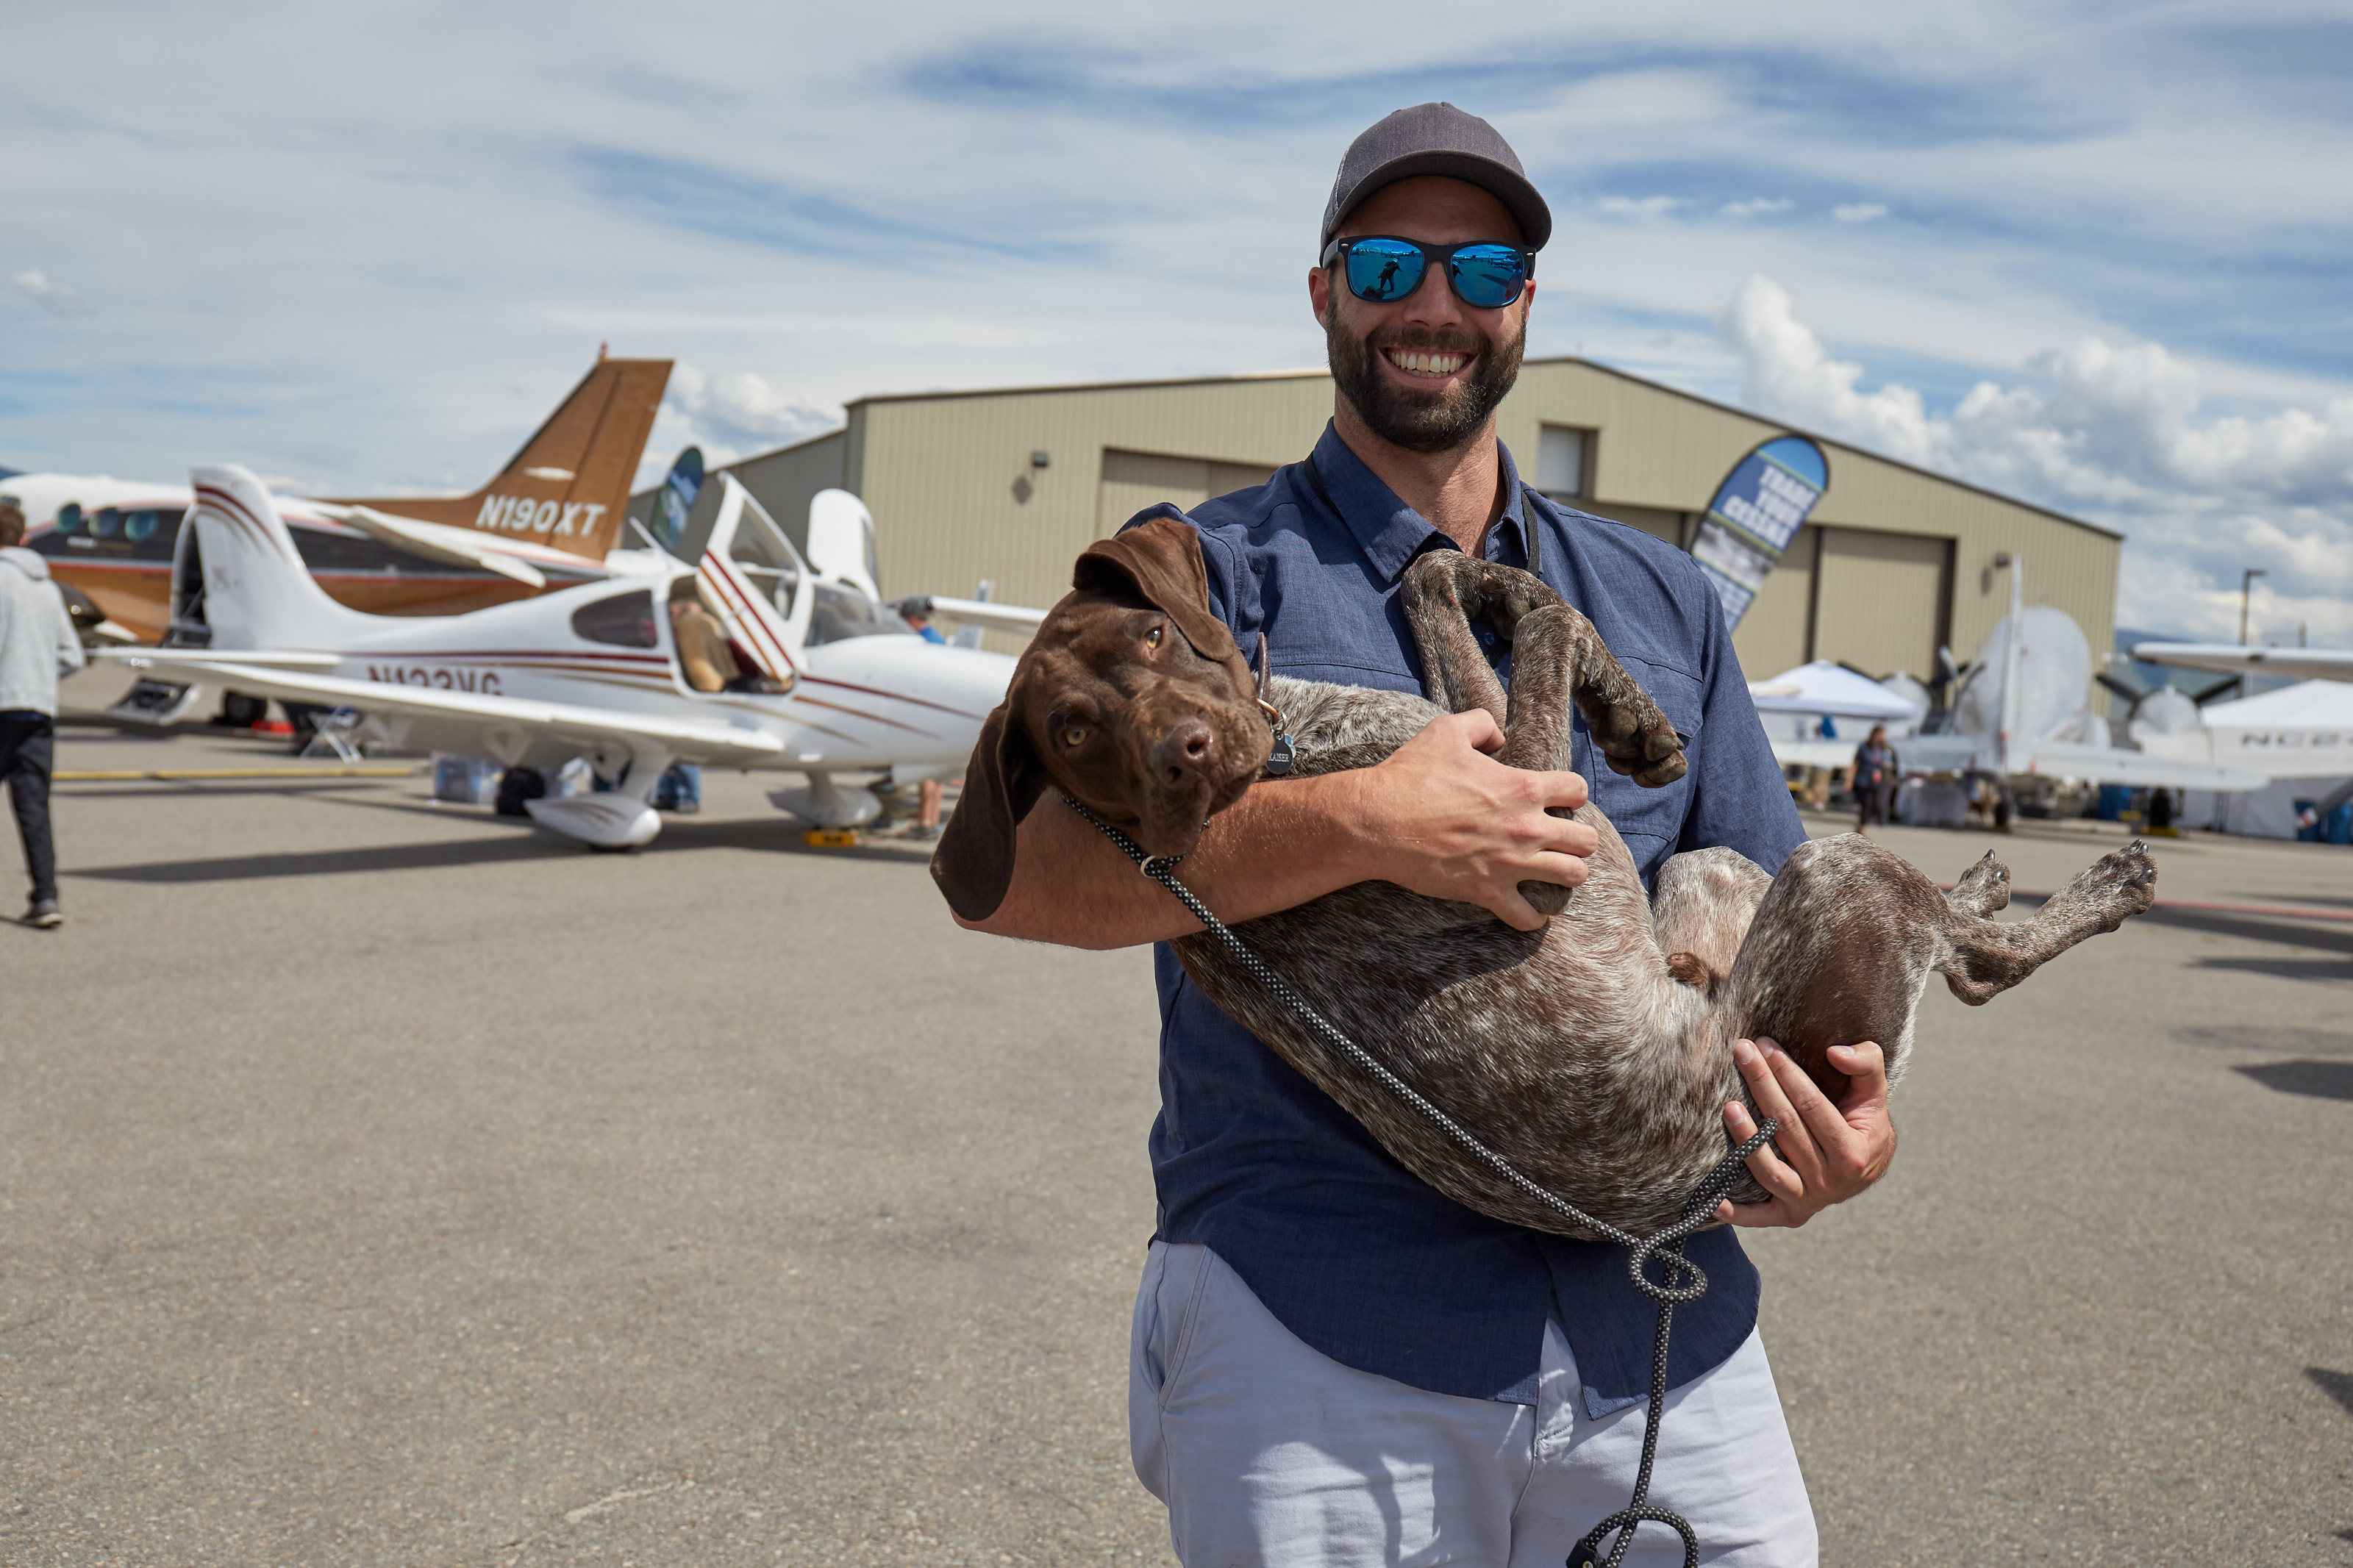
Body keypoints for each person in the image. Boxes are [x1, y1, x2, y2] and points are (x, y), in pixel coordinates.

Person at [953, 104, 1895, 1566]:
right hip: (1323, 1333)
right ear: (1325, 291)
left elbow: (1768, 904)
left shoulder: (1663, 600)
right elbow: (1020, 878)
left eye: (1484, 269)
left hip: (1659, 1335)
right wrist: (1361, 821)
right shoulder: (1195, 581)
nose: (1435, 306)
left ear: (1526, 303)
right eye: (1390, 265)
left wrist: (1847, 1125)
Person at [0, 498, 85, 927]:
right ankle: (46, 897)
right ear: (24, 537)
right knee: (33, 807)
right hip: (36, 711)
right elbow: (72, 655)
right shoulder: (48, 589)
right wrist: (38, 680)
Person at [1849, 724, 1898, 834]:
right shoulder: (1864, 748)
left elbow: (1894, 763)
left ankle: (1861, 826)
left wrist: (1891, 774)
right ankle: (1862, 828)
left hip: (1878, 781)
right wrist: (1850, 780)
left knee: (1876, 804)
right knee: (1866, 804)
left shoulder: (1887, 749)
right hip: (1864, 780)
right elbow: (1856, 763)